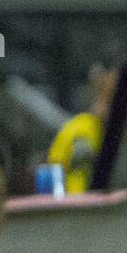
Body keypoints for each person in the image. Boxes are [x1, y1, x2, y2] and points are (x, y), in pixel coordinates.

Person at [48, 63, 119, 195]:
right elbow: (54, 171)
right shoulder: (76, 128)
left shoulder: (125, 134)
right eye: (105, 92)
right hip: (76, 207)